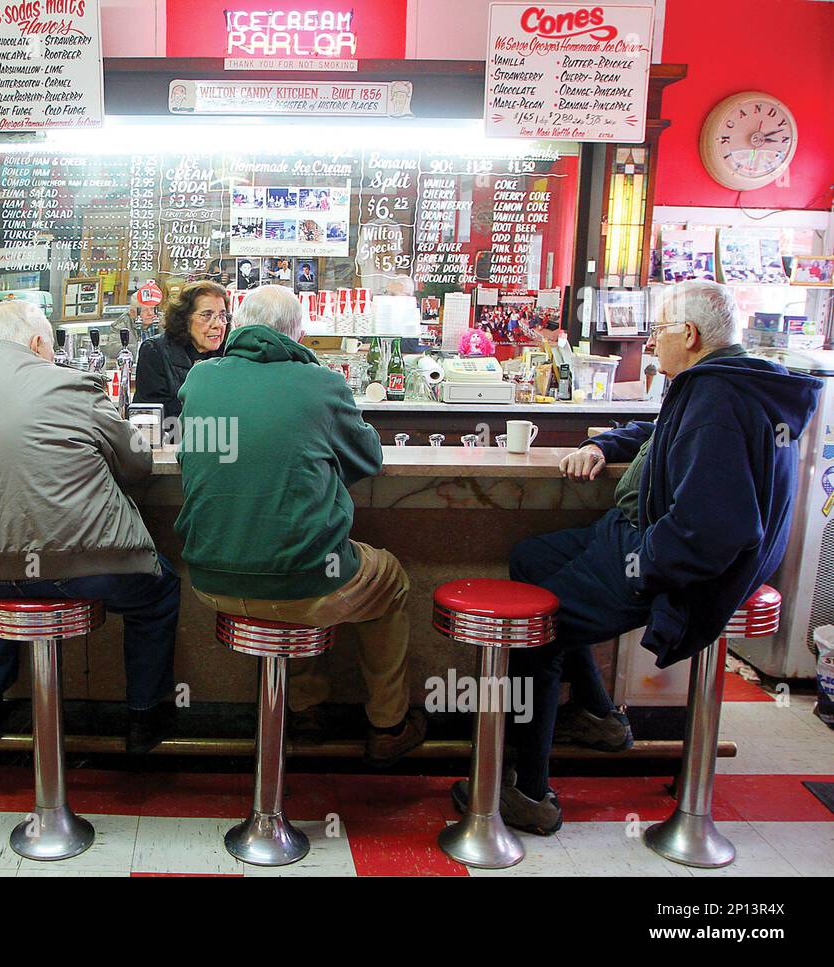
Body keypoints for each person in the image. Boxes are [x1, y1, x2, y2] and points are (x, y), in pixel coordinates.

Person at [472, 280, 821, 835]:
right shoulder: (721, 383)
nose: (652, 339)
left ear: (690, 333)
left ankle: (526, 792)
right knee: (531, 558)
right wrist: (604, 444)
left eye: (659, 329)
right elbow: (662, 432)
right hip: (636, 533)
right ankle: (598, 715)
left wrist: (644, 565)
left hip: (664, 557)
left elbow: (714, 530)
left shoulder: (716, 398)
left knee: (538, 628)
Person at [173, 285, 426, 767]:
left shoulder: (200, 379)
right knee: (382, 578)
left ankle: (306, 710)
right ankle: (388, 725)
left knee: (302, 557)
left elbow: (193, 456)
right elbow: (368, 457)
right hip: (303, 583)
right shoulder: (323, 383)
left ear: (239, 327)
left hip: (209, 578)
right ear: (299, 334)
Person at [0, 301, 181, 754]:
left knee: (1, 578)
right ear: (38, 343)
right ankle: (143, 717)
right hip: (85, 564)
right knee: (159, 592)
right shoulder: (71, 384)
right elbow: (138, 463)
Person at [132, 280, 228, 422]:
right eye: (207, 315)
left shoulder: (229, 352)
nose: (218, 324)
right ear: (184, 319)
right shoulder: (155, 351)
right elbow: (151, 420)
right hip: (172, 441)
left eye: (222, 315)